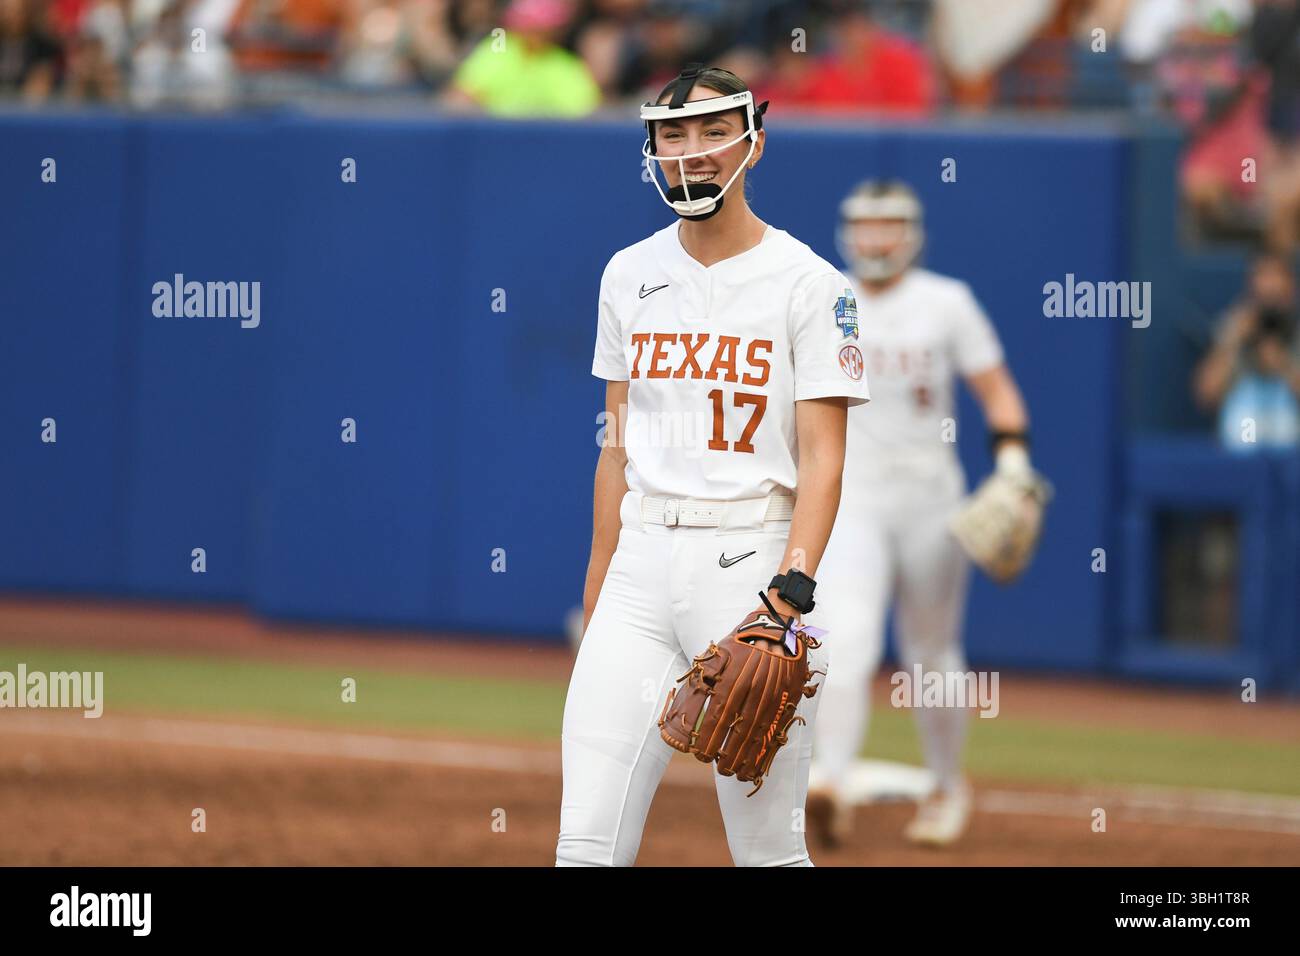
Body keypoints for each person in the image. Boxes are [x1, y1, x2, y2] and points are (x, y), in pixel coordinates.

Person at [556, 63, 870, 867]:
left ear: (752, 143)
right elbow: (615, 445)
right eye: (673, 135)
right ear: (652, 149)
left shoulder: (810, 283)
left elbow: (824, 458)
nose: (693, 151)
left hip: (752, 566)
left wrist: (789, 594)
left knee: (768, 854)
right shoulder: (628, 272)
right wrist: (599, 587)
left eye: (712, 131)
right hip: (639, 565)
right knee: (585, 846)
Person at [806, 180, 1033, 848]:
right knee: (842, 639)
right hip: (853, 496)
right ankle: (831, 782)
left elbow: (997, 391)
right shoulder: (824, 294)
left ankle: (945, 785)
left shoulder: (946, 300)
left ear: (911, 233)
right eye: (865, 225)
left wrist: (1013, 463)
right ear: (849, 231)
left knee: (931, 653)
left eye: (889, 226)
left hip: (931, 497)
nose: (876, 239)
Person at [1195, 251, 1300, 449]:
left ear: (1291, 288)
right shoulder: (1234, 328)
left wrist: (1283, 366)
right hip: (1239, 458)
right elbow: (1206, 395)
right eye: (1262, 276)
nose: (1270, 285)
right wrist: (1232, 342)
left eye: (1277, 277)